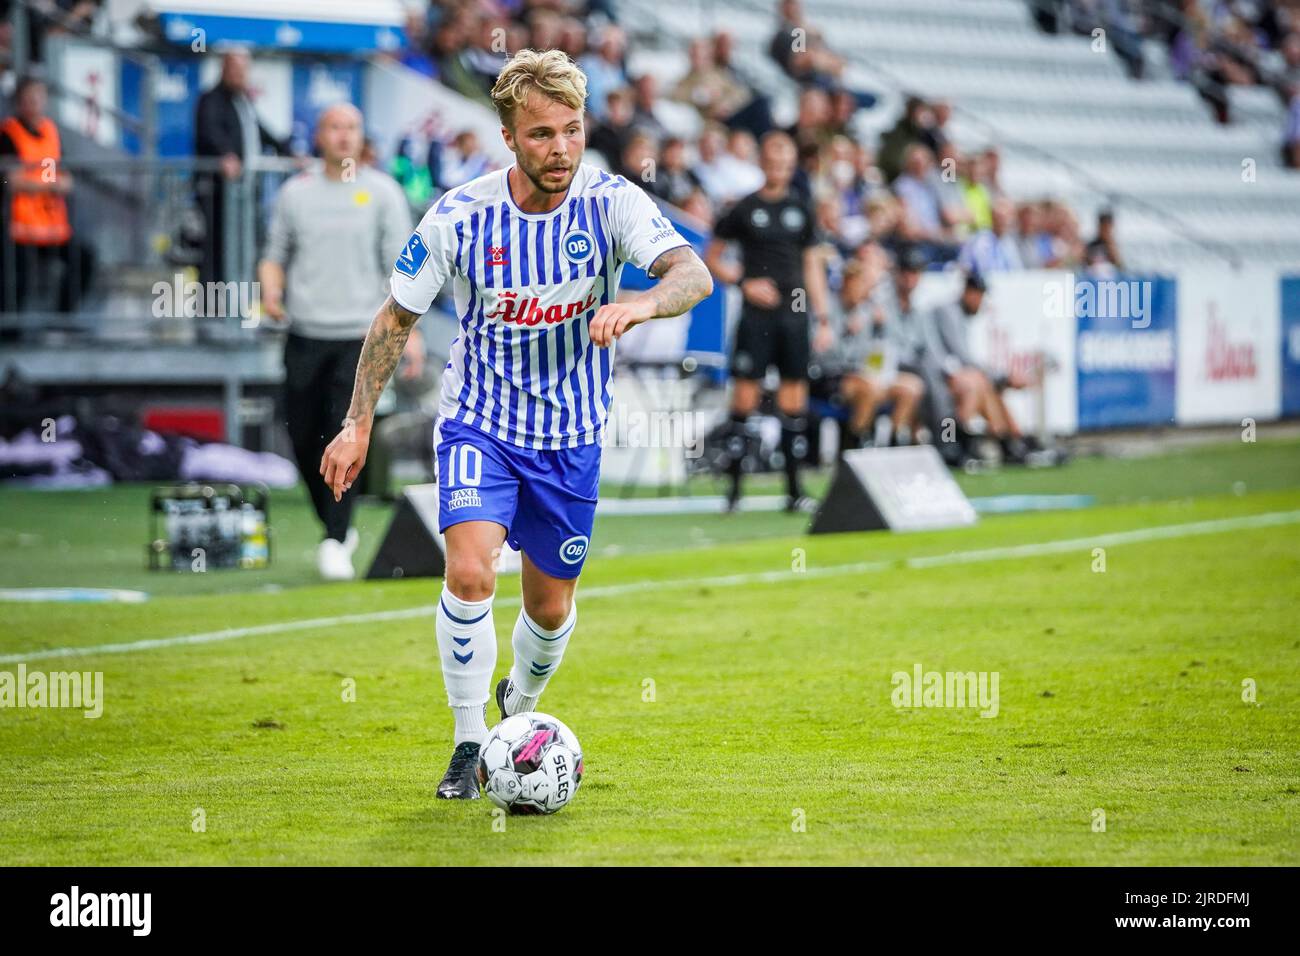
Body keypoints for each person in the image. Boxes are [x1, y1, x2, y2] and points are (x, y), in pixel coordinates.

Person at [318, 49, 713, 799]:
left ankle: (516, 716)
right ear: (508, 136)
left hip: (570, 438)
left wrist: (639, 303)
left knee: (549, 607)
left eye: (571, 130)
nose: (560, 148)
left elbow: (692, 273)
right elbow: (395, 319)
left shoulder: (612, 201)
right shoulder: (460, 217)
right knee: (469, 573)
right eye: (540, 135)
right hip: (480, 425)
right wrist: (357, 423)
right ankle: (470, 745)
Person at [258, 104, 416, 581]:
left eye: (352, 127)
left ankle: (335, 537)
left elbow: (405, 272)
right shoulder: (295, 194)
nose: (344, 136)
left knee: (342, 432)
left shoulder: (383, 193)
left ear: (361, 136)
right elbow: (274, 256)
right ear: (319, 137)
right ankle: (334, 525)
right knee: (301, 434)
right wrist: (270, 293)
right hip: (304, 333)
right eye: (334, 127)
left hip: (360, 339)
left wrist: (411, 336)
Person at [705, 130, 831, 513]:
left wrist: (823, 318)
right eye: (773, 161)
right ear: (762, 164)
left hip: (793, 315)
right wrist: (745, 283)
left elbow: (812, 265)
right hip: (756, 316)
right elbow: (711, 258)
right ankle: (734, 492)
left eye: (785, 163)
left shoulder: (802, 208)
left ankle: (794, 492)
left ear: (793, 166)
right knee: (744, 399)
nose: (779, 168)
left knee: (794, 401)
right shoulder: (743, 208)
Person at [194, 49, 290, 286]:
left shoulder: (242, 100)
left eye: (243, 70)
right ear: (224, 69)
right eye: (235, 69)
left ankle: (235, 298)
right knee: (216, 246)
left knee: (241, 244)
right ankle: (212, 305)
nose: (240, 75)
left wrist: (288, 151)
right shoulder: (211, 99)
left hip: (243, 192)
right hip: (218, 192)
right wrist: (225, 155)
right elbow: (209, 132)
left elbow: (259, 131)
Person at [0, 74, 94, 316]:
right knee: (15, 281)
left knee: (84, 258)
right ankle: (12, 331)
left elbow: (60, 174)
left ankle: (62, 321)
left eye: (38, 98)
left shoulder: (50, 132)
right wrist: (48, 184)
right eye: (28, 99)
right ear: (19, 102)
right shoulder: (9, 134)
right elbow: (11, 179)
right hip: (18, 227)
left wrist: (50, 183)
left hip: (51, 225)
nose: (34, 104)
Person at [921, 272, 1037, 464]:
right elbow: (961, 355)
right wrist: (1003, 376)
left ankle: (1009, 438)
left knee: (985, 385)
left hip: (944, 374)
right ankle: (994, 439)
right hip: (935, 376)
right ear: (968, 292)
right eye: (979, 295)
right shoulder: (947, 312)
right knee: (977, 384)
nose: (980, 302)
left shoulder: (955, 313)